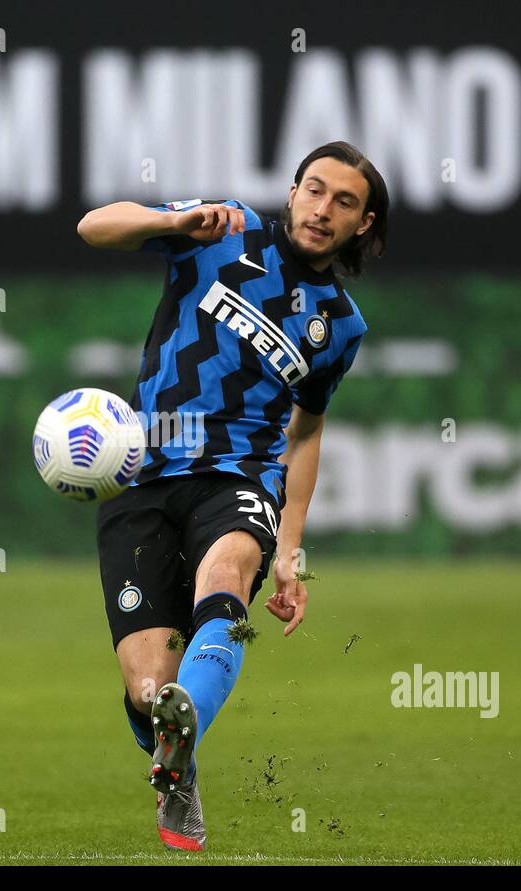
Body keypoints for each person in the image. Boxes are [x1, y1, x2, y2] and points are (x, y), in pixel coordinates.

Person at [76, 140, 389, 851]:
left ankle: (187, 715)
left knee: (226, 574)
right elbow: (94, 226)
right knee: (144, 688)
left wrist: (292, 546)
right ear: (294, 190)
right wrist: (176, 225)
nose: (323, 208)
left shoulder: (339, 326)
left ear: (363, 224)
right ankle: (175, 750)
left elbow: (305, 436)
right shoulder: (226, 231)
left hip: (239, 476)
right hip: (143, 479)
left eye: (345, 202)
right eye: (315, 189)